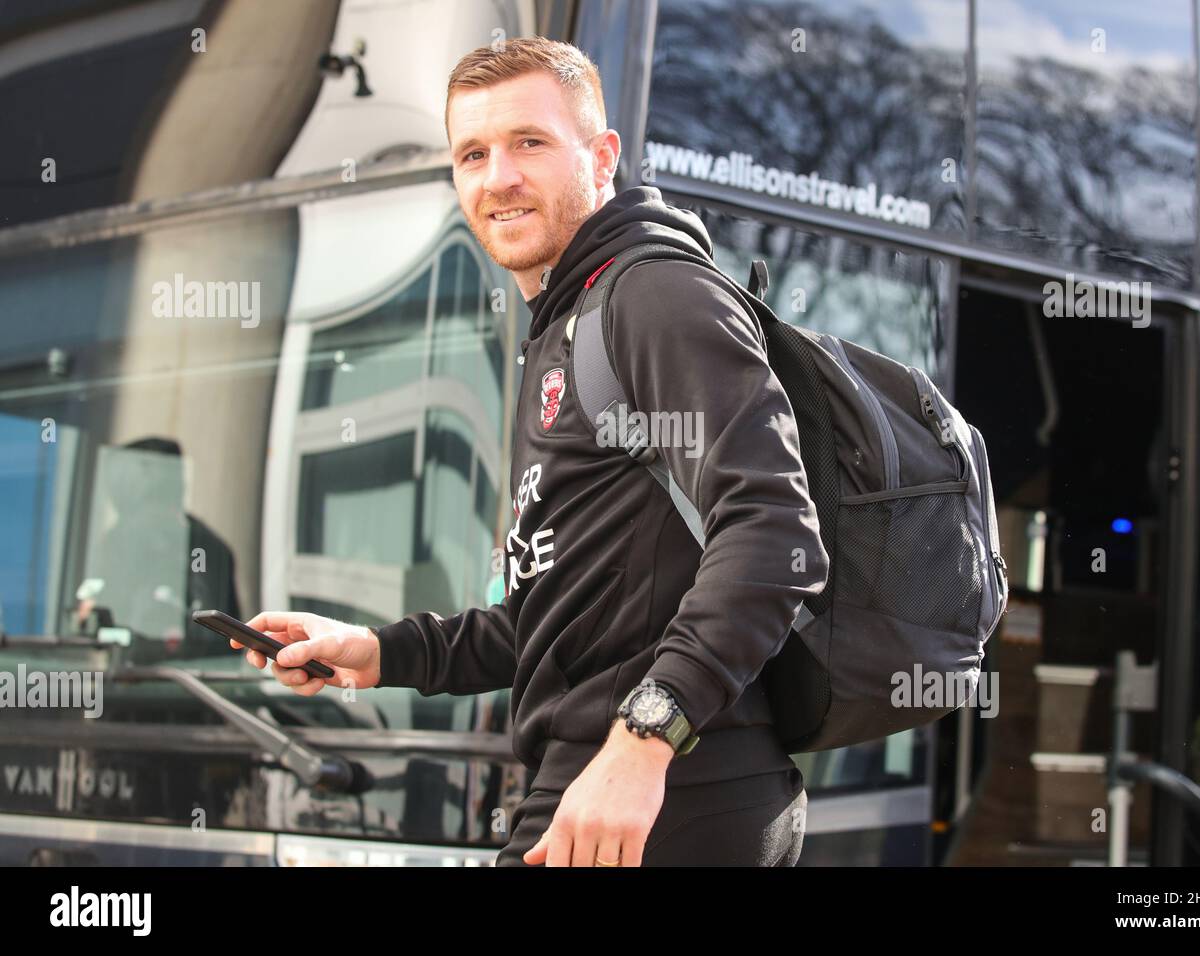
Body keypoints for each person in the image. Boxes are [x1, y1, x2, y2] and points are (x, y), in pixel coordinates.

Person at [233, 36, 828, 867]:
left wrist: (643, 743)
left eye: (529, 143)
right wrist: (378, 652)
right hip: (601, 783)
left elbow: (774, 532)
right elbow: (553, 618)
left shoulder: (654, 295)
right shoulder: (562, 328)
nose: (498, 176)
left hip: (665, 792)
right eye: (472, 152)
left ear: (602, 154)